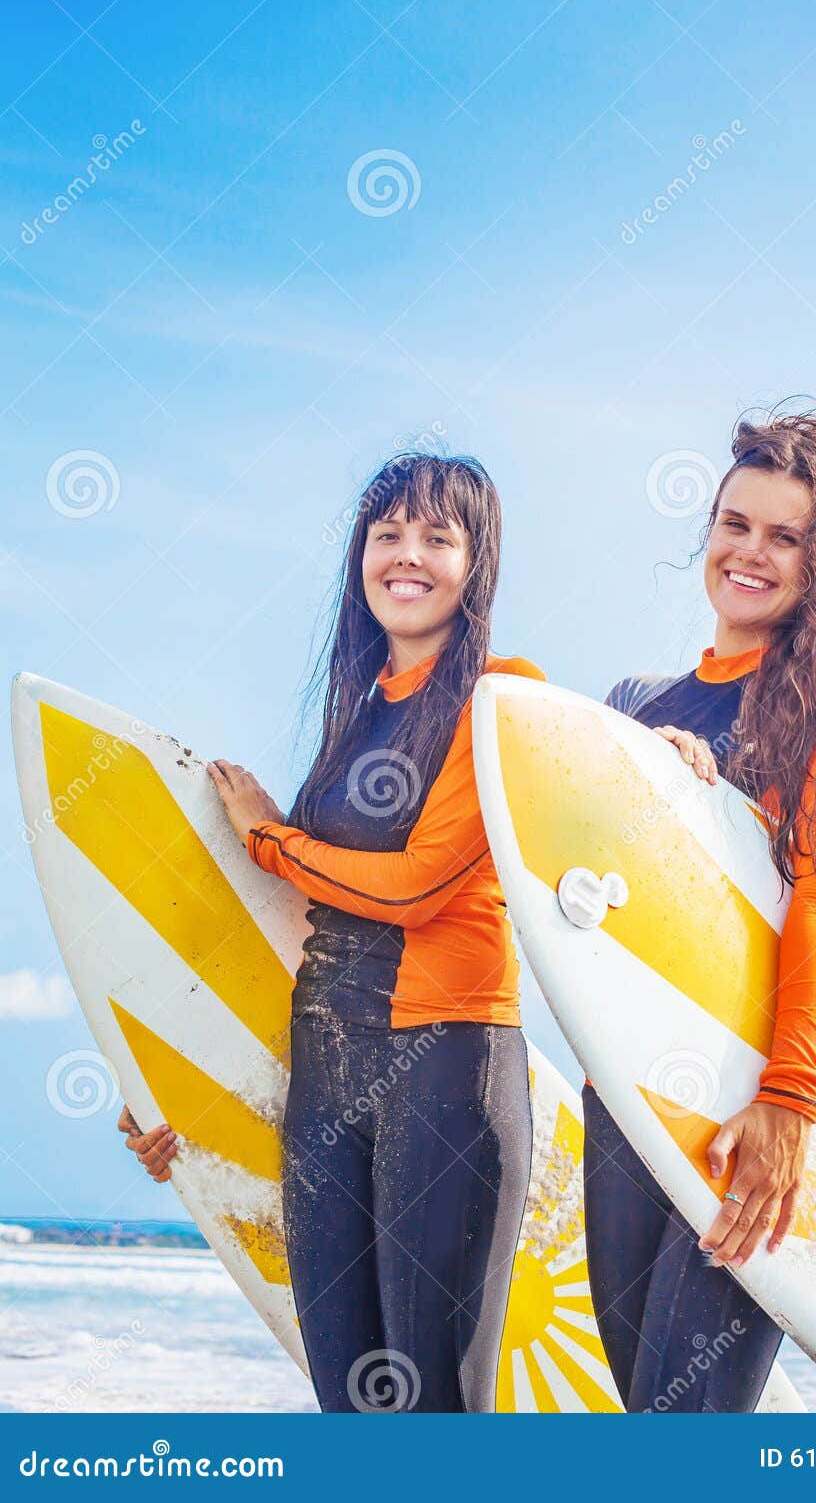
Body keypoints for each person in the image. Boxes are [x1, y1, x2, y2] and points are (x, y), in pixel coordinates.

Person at [118, 452, 543, 1413]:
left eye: (438, 536)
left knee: (432, 1409)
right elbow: (298, 924)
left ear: (476, 564)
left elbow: (413, 891)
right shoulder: (355, 716)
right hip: (325, 1075)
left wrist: (269, 836)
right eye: (387, 534)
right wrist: (163, 1069)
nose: (407, 555)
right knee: (349, 1406)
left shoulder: (499, 699)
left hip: (444, 1071)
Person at [583, 408, 816, 1412]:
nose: (749, 552)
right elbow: (579, 894)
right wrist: (663, 796)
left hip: (744, 1102)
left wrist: (786, 1105)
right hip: (628, 1092)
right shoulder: (636, 707)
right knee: (643, 1413)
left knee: (687, 1431)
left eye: (784, 536)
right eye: (734, 523)